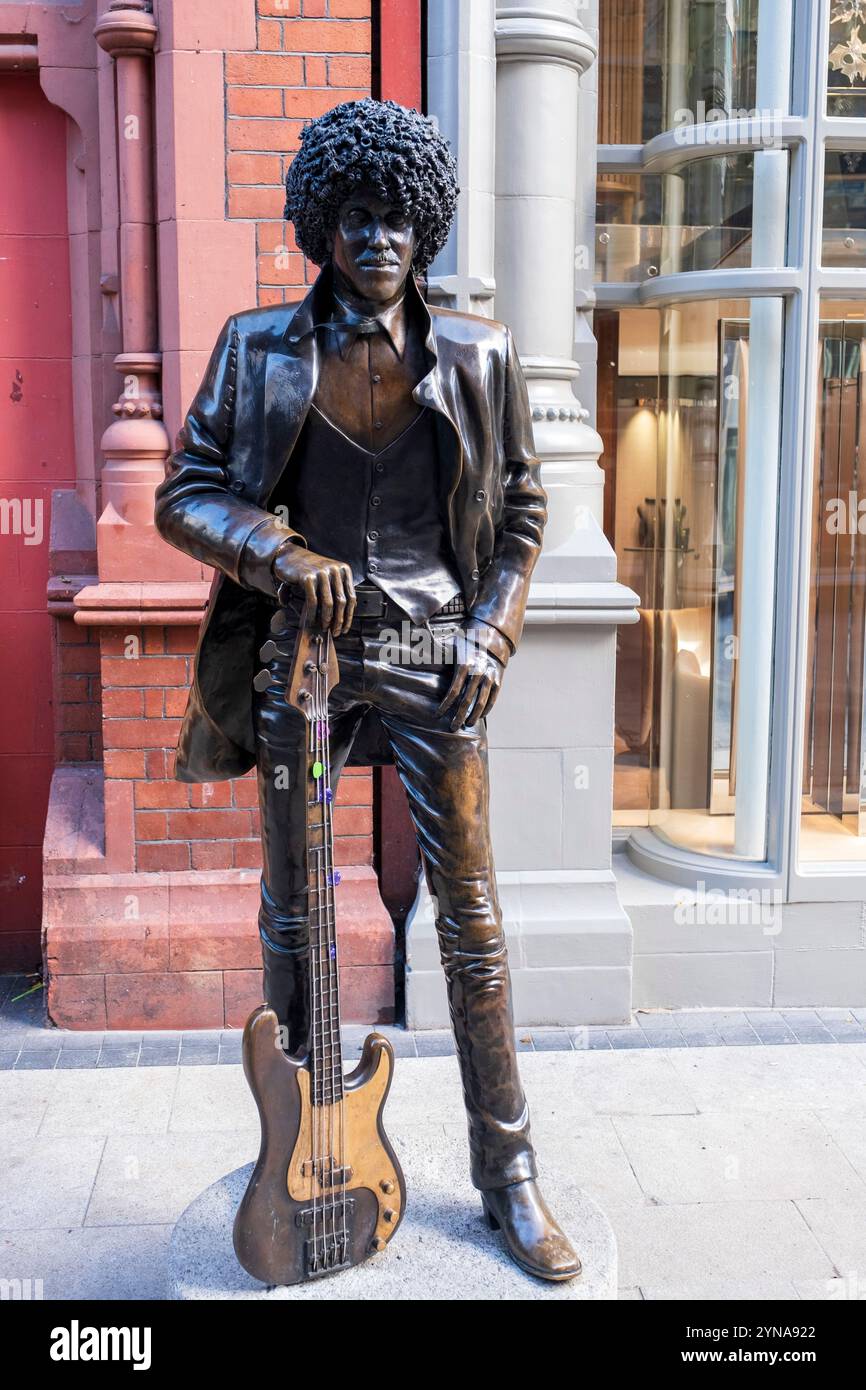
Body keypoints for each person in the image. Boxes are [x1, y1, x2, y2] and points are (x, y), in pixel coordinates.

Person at [155, 98, 580, 1283]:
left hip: (439, 654)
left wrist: (491, 631)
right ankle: (303, 1152)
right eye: (354, 215)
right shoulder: (256, 348)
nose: (377, 237)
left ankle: (508, 1175)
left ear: (424, 227)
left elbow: (524, 507)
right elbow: (183, 492)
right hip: (303, 658)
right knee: (293, 911)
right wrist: (276, 553)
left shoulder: (480, 354)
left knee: (471, 920)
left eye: (396, 217)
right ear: (321, 226)